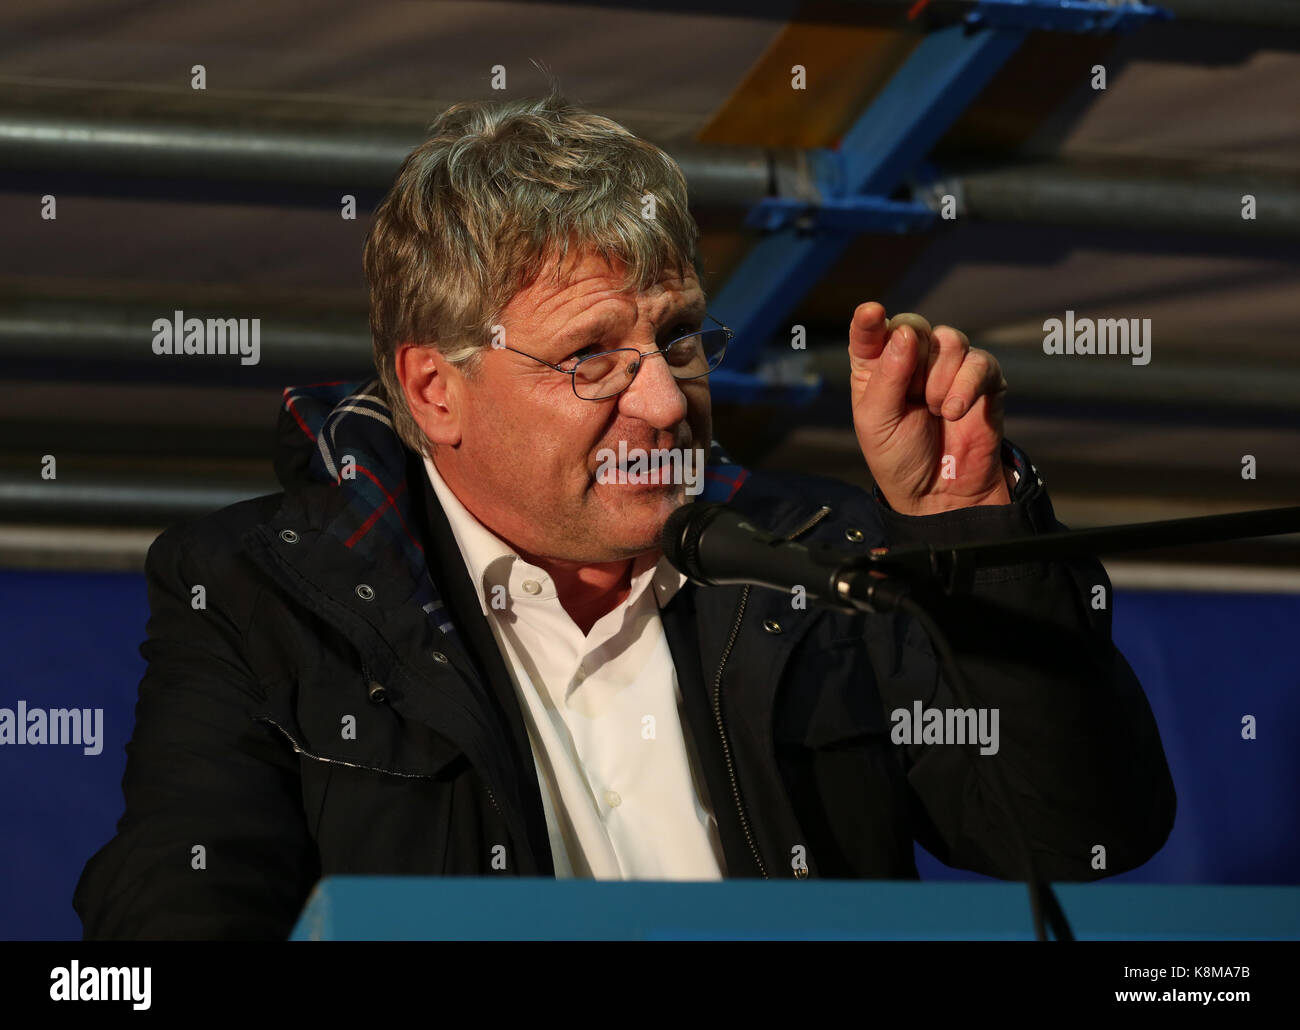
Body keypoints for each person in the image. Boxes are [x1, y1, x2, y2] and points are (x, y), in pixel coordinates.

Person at [73, 91, 1175, 939]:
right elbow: (182, 896)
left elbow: (1077, 831)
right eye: (592, 355)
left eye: (679, 338)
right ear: (434, 390)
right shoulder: (264, 592)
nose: (662, 397)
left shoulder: (821, 559)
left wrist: (968, 529)